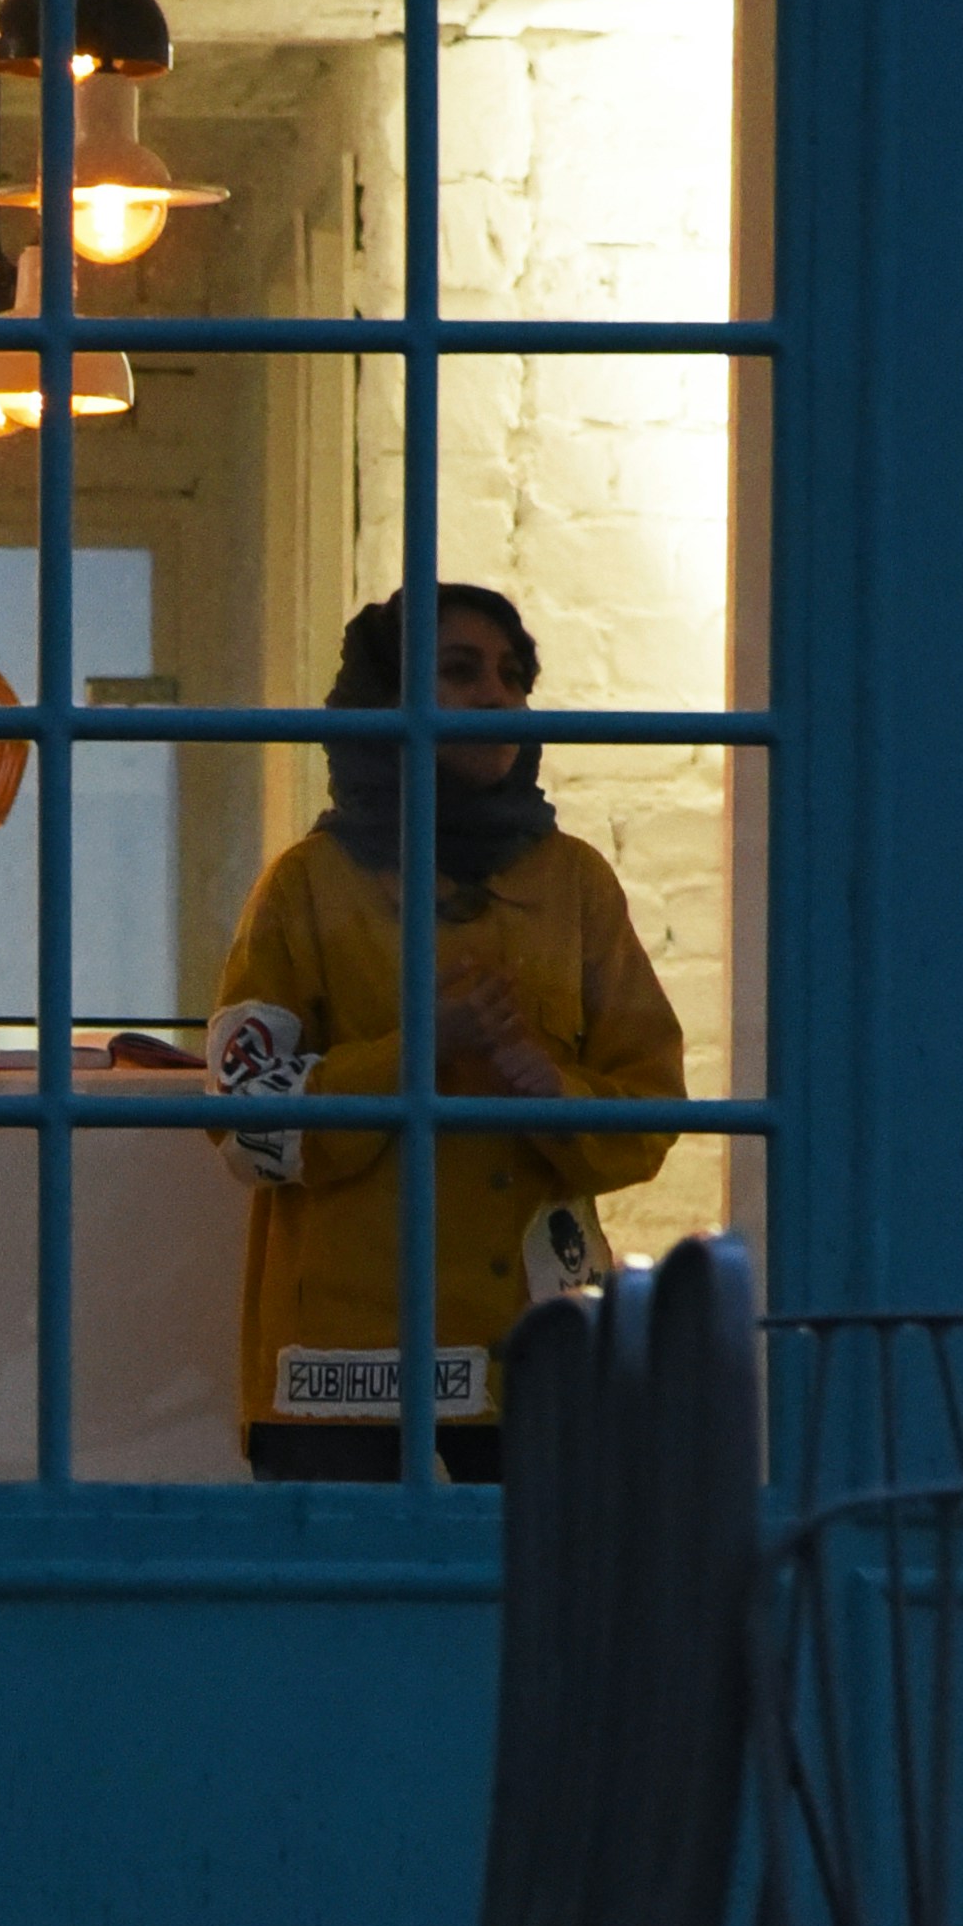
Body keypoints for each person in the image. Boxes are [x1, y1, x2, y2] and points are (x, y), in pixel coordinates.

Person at [204, 582, 683, 1480]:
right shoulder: (306, 885)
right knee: (341, 1617)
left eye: (512, 675)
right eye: (459, 672)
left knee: (536, 1614)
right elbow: (245, 1128)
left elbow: (652, 1112)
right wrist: (417, 1049)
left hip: (531, 1352)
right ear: (386, 702)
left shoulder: (576, 884)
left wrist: (550, 1087)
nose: (496, 696)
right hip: (342, 1367)